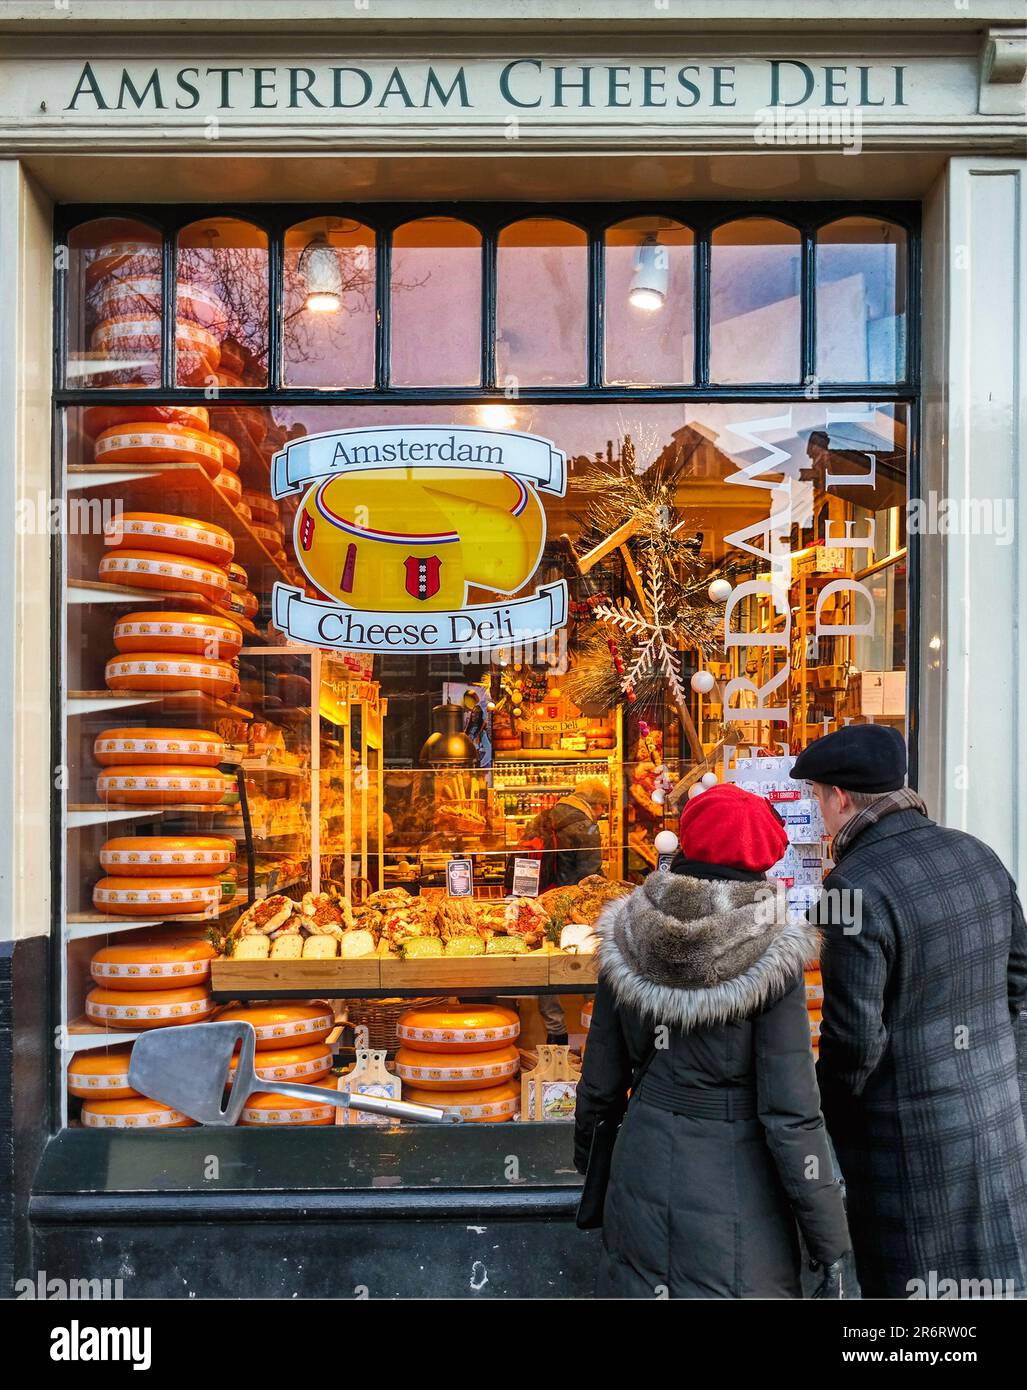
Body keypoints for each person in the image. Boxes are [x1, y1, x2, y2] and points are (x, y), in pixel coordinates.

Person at [574, 782, 850, 1298]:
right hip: (736, 1180)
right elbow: (791, 1115)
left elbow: (599, 1085)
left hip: (643, 1164)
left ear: (686, 844)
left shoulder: (630, 931)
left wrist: (592, 1169)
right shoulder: (772, 950)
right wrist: (829, 1240)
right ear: (764, 860)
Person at [791, 724, 1027, 1298]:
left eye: (817, 797)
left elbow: (854, 1042)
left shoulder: (850, 888)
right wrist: (1008, 1081)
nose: (818, 813)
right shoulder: (977, 853)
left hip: (904, 1146)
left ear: (839, 798)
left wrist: (823, 1122)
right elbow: (1019, 984)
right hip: (997, 1128)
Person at [519, 778, 611, 1044]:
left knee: (546, 963)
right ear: (596, 804)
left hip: (543, 899)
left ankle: (555, 1031)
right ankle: (594, 1019)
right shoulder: (586, 825)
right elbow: (591, 875)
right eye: (603, 808)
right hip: (574, 906)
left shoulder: (543, 817)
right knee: (589, 956)